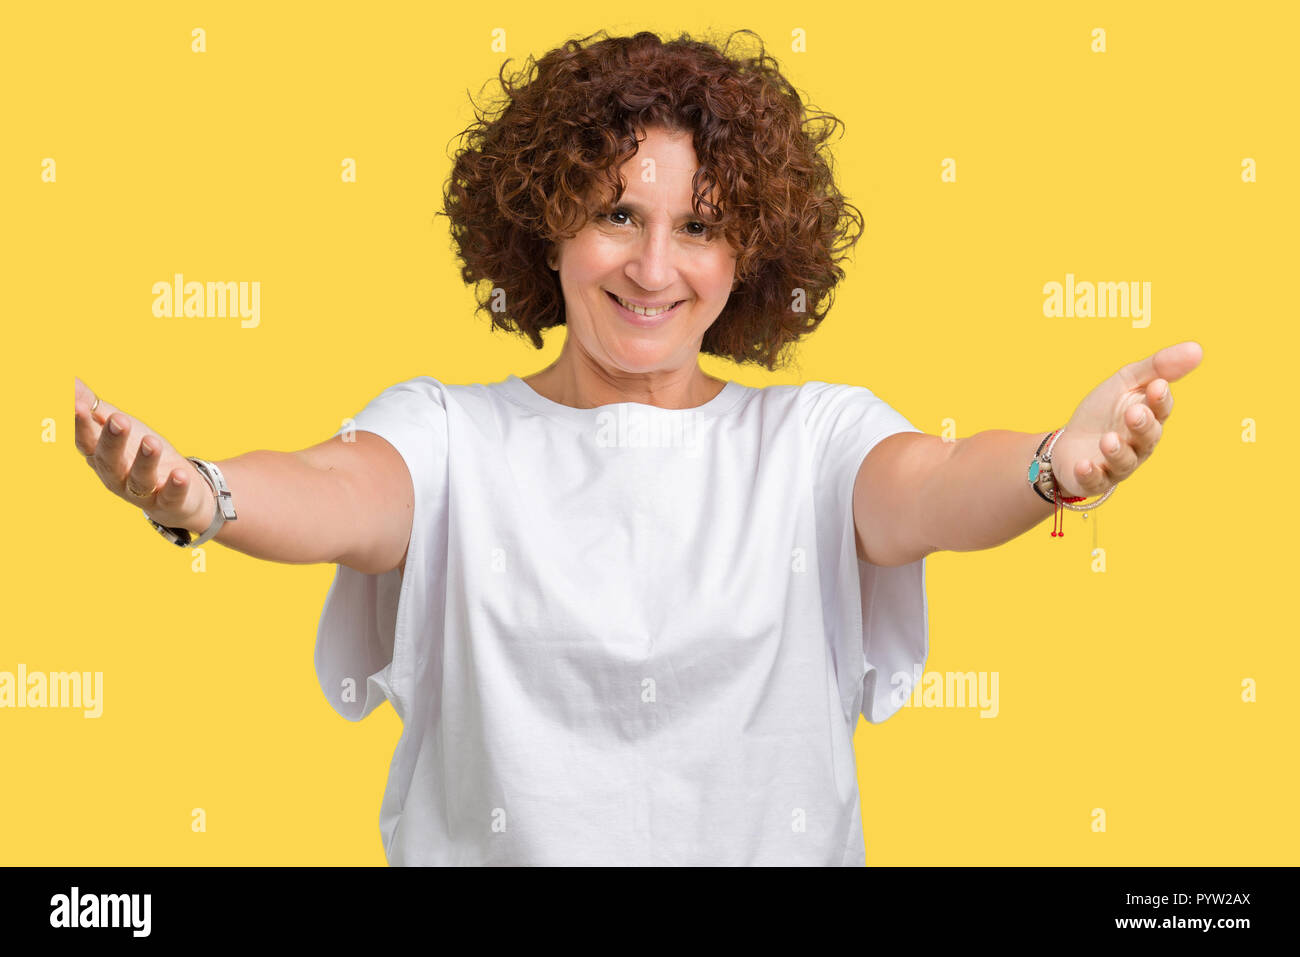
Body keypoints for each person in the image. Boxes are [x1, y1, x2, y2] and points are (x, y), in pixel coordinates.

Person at [72, 29, 1203, 866]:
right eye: (618, 214)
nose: (653, 268)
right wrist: (207, 495)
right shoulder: (453, 434)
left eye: (698, 227)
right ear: (547, 221)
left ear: (745, 256)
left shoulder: (809, 440)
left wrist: (1055, 463)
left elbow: (937, 484)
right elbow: (336, 488)